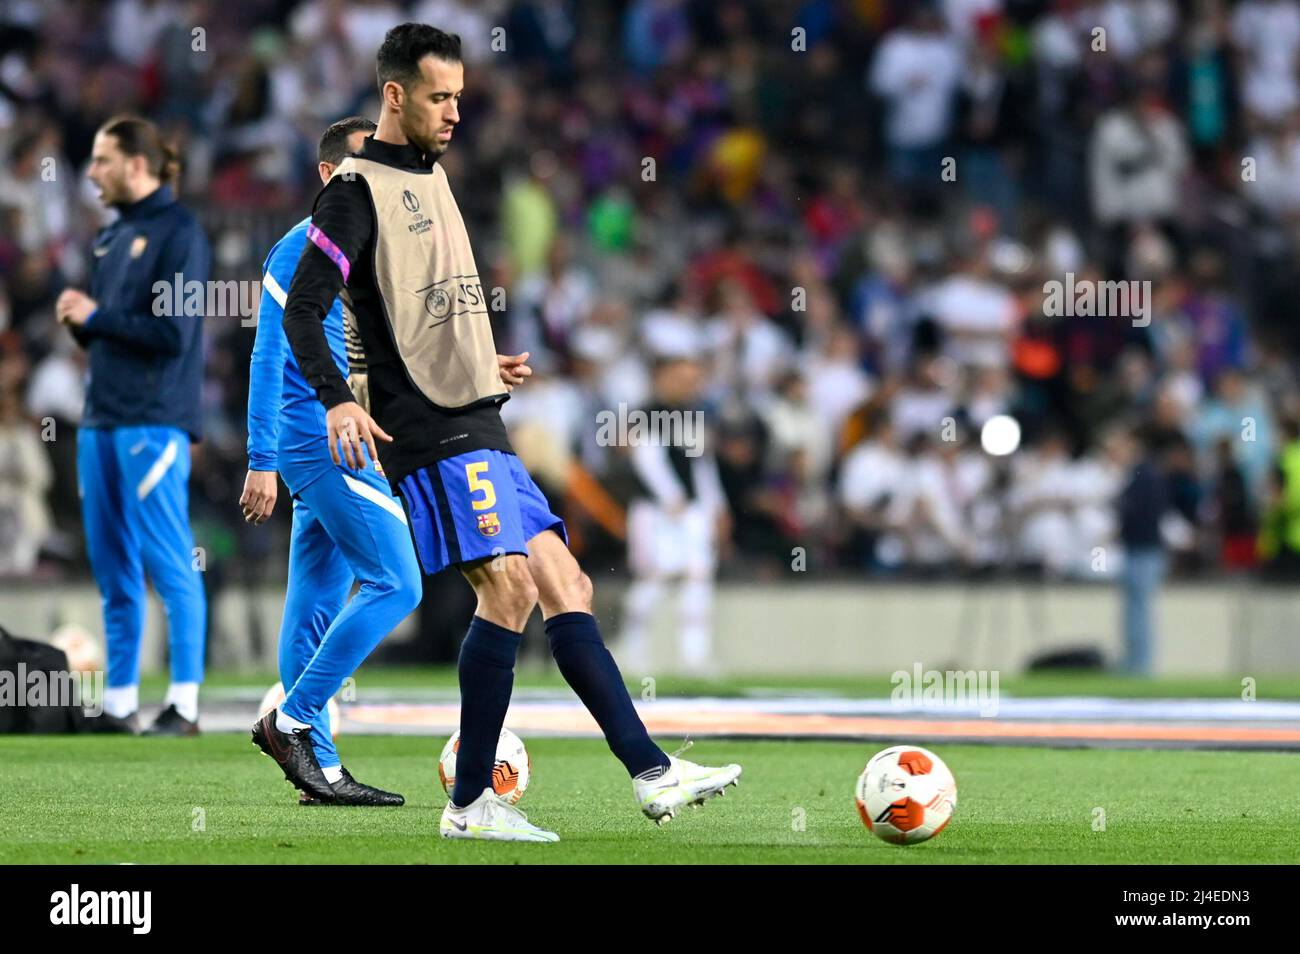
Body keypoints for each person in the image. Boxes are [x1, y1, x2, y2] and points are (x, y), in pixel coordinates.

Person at [275, 23, 740, 841]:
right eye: (438, 97)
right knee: (510, 588)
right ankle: (469, 808)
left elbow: (430, 303)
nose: (456, 112)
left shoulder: (435, 174)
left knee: (569, 588)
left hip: (478, 414)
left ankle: (653, 772)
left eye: (459, 96)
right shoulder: (354, 191)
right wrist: (338, 400)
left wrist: (486, 360)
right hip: (430, 430)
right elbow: (306, 310)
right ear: (395, 96)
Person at [242, 116, 534, 806]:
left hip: (343, 436)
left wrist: (477, 366)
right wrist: (260, 458)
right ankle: (291, 722)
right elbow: (268, 353)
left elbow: (400, 347)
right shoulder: (300, 249)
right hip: (322, 439)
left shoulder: (367, 249)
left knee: (312, 606)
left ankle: (319, 770)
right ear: (328, 178)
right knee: (397, 584)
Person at [57, 116, 209, 735]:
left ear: (137, 165)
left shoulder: (181, 234)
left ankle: (185, 703)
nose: (92, 172)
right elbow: (111, 334)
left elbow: (175, 333)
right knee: (113, 564)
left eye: (102, 160)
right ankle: (119, 702)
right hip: (101, 419)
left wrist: (98, 315)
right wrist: (82, 322)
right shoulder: (108, 237)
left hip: (154, 420)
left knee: (170, 560)